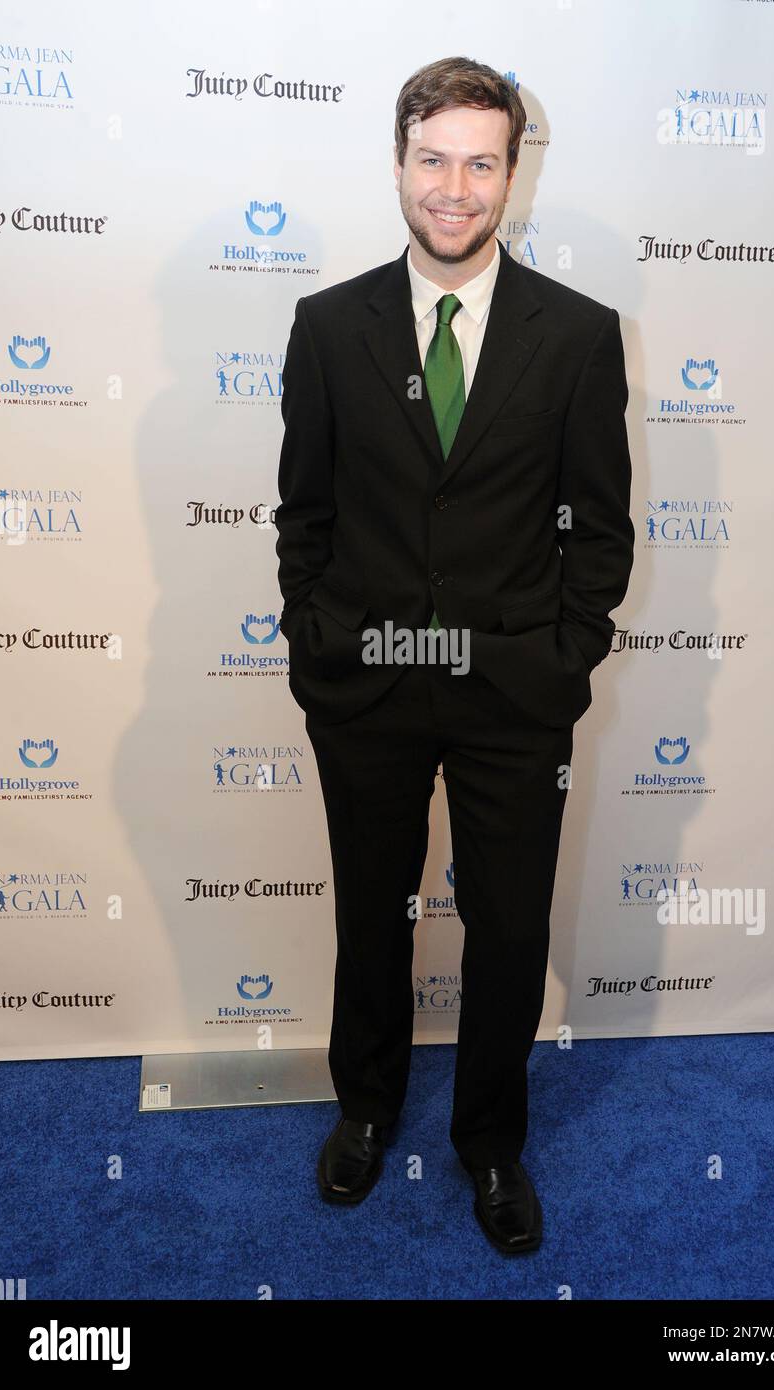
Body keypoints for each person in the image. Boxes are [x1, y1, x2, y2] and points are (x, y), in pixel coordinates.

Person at [275, 55, 635, 1254]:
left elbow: (600, 526)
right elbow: (303, 512)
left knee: (510, 929)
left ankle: (489, 1143)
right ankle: (367, 1110)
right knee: (371, 917)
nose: (454, 186)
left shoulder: (577, 335)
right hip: (366, 681)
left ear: (512, 173)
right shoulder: (328, 327)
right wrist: (315, 641)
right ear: (397, 162)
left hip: (513, 696)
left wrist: (562, 657)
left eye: (481, 162)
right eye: (433, 158)